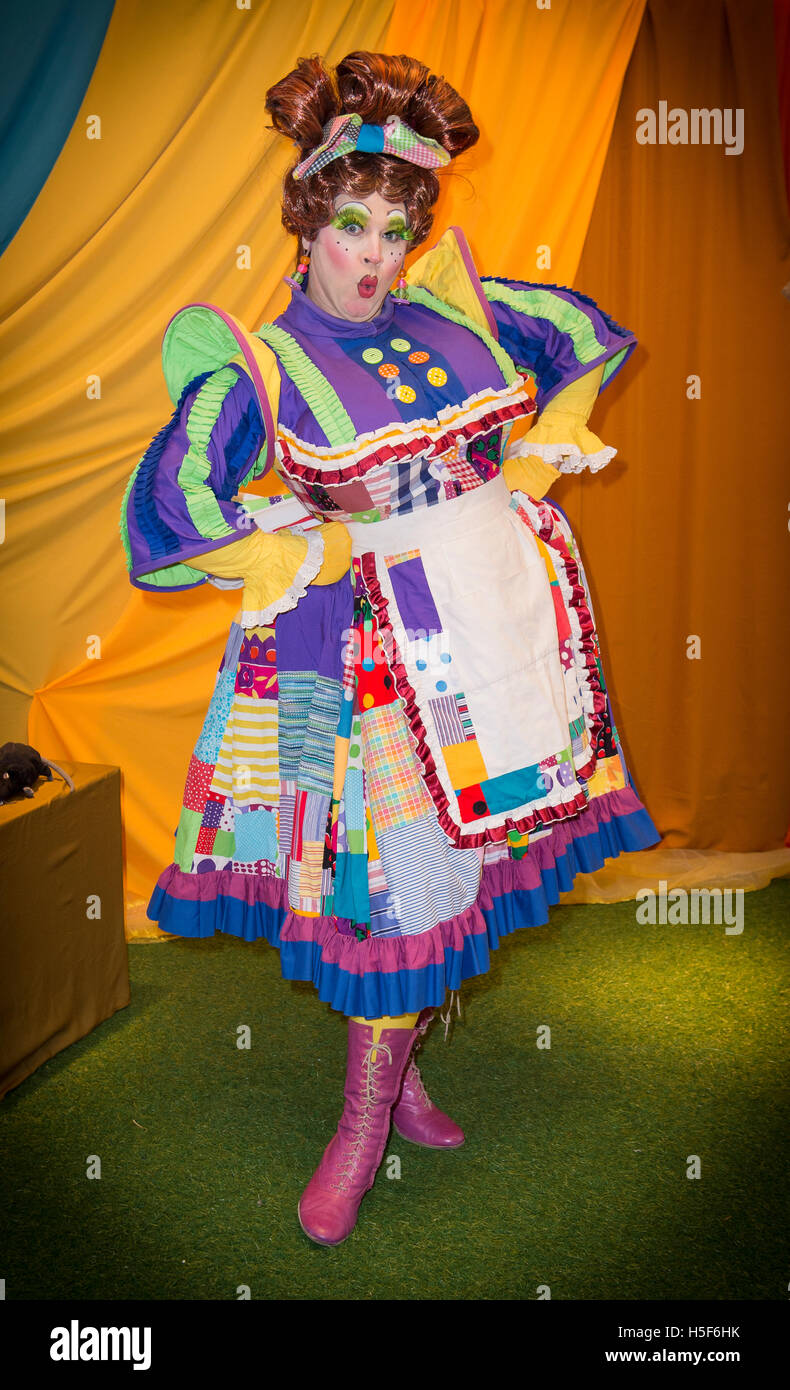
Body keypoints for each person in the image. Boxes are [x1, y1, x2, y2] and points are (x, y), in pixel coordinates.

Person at [120, 50, 661, 1247]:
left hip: (502, 627)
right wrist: (294, 552)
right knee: (399, 891)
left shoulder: (460, 311)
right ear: (309, 221)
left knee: (461, 871)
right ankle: (363, 1121)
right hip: (374, 659)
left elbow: (588, 336)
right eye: (354, 225)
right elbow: (172, 509)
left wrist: (539, 447)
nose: (376, 254)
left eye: (398, 227)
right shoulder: (260, 363)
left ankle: (404, 1068)